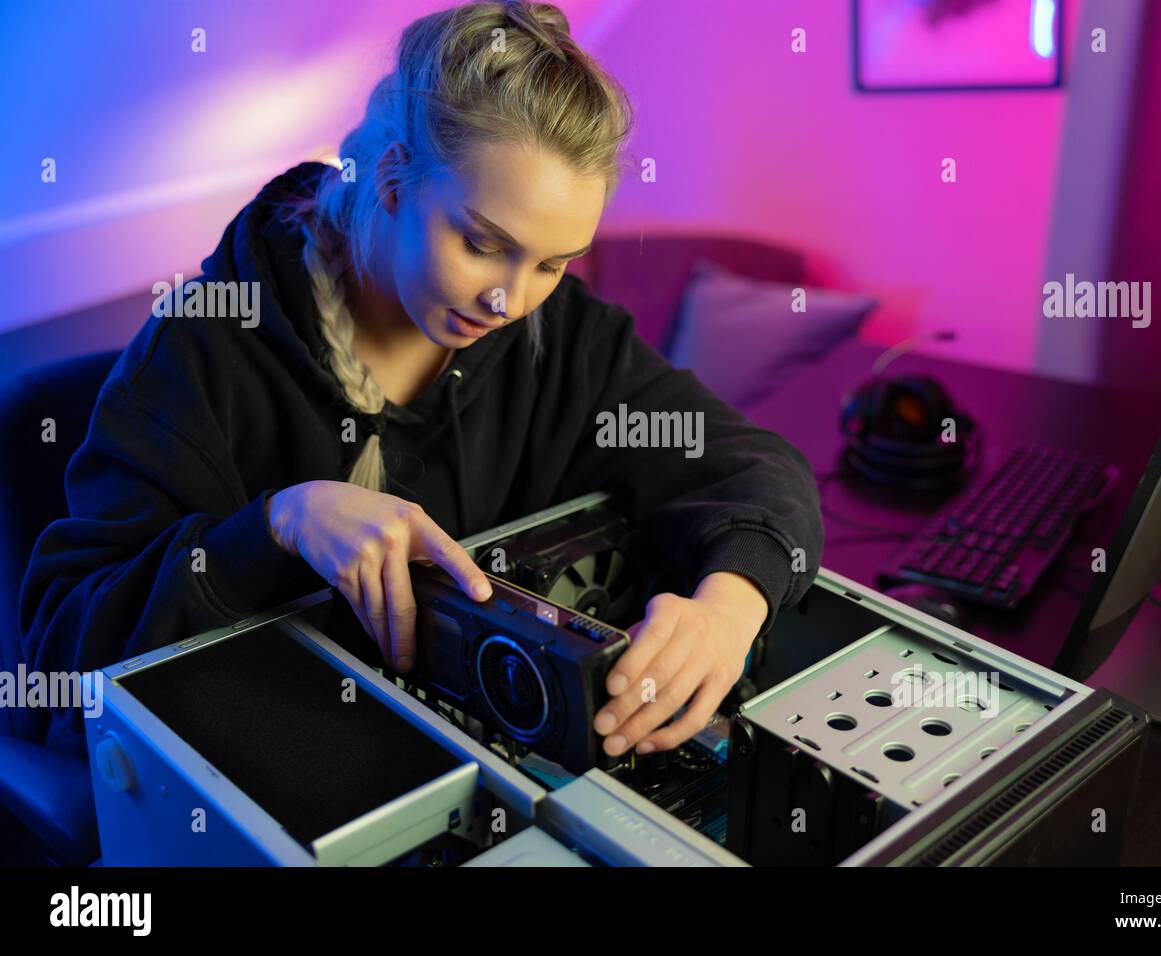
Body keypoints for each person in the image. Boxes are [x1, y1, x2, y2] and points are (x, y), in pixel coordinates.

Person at [20, 0, 823, 763]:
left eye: (551, 262)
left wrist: (730, 604)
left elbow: (750, 463)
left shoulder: (562, 333)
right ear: (394, 181)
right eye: (480, 244)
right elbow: (66, 639)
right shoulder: (203, 346)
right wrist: (278, 524)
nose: (509, 300)